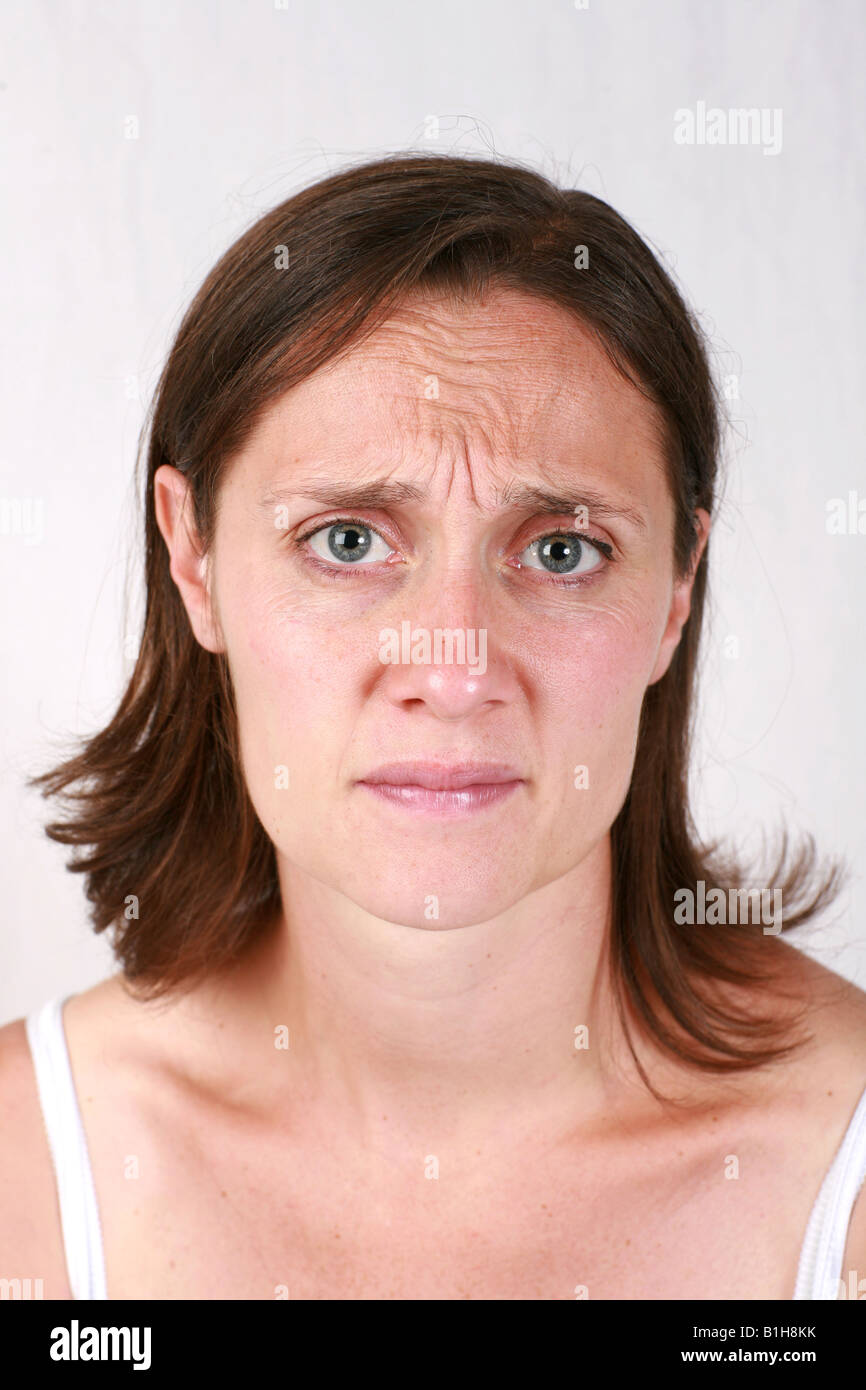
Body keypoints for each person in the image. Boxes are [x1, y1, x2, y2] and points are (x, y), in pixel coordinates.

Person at [2, 153, 864, 1301]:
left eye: (560, 550)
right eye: (347, 540)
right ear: (193, 556)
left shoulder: (840, 1178)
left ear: (675, 589)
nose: (452, 670)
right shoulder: (28, 1177)